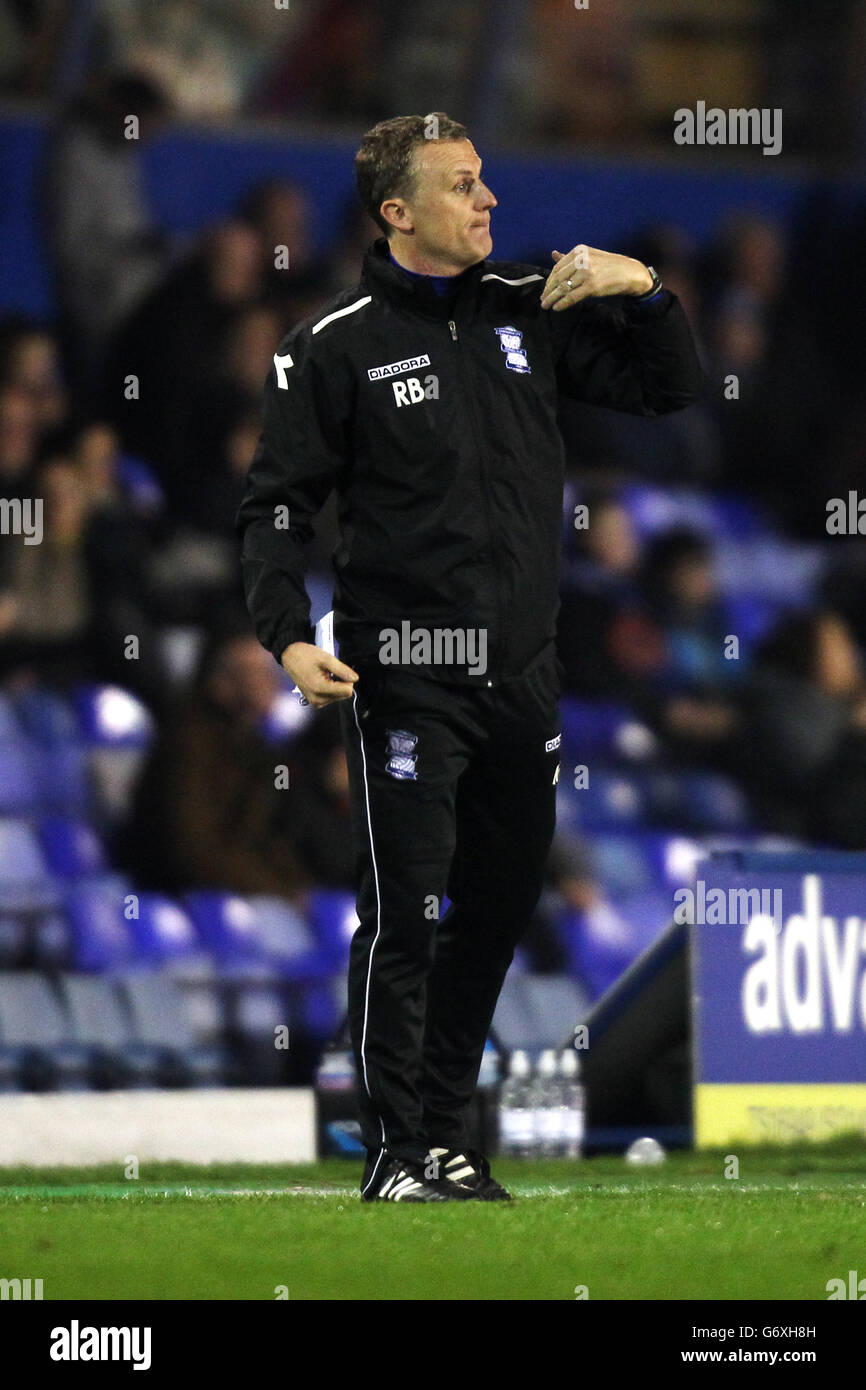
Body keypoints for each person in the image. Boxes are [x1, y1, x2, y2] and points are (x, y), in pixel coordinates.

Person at [237, 112, 702, 1202]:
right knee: (405, 911)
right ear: (397, 213)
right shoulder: (333, 344)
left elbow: (665, 386)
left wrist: (642, 288)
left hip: (523, 674)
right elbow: (273, 509)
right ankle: (394, 1149)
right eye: (460, 186)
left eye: (485, 180)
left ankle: (445, 1132)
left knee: (492, 911)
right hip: (405, 669)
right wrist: (288, 636)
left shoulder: (523, 311)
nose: (487, 200)